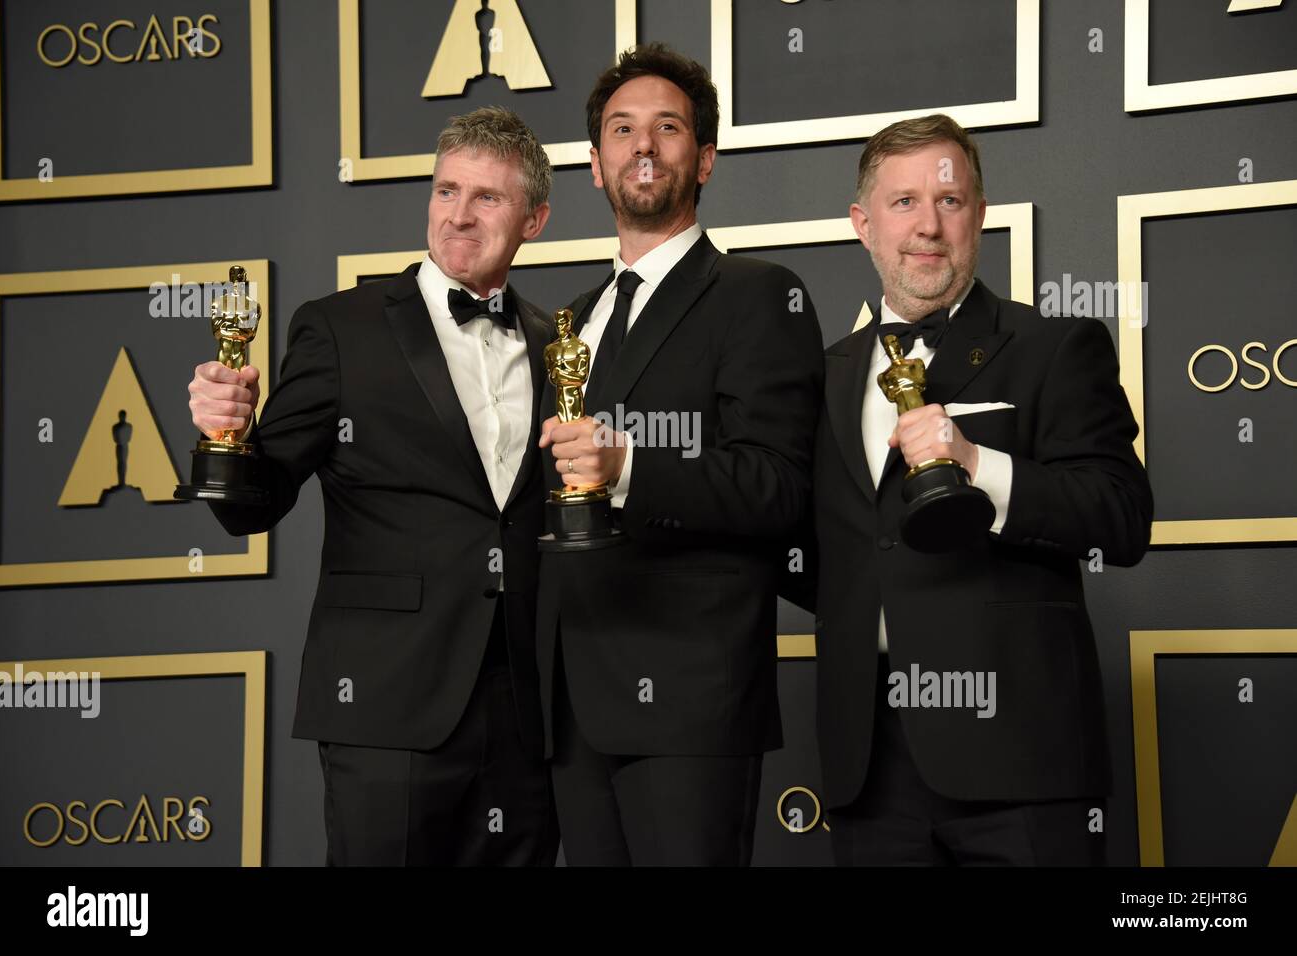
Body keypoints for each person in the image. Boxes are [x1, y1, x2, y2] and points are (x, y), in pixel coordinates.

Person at [186, 107, 558, 865]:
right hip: (386, 701)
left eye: (487, 198)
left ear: (535, 220)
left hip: (529, 709)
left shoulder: (561, 343)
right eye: (446, 190)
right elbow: (254, 503)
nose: (459, 215)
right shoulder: (340, 329)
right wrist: (224, 436)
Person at [786, 113, 1154, 865]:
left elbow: (1122, 518)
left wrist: (978, 464)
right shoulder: (818, 375)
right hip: (869, 764)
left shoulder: (1056, 345)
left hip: (1023, 756)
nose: (928, 226)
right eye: (904, 203)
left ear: (978, 216)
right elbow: (815, 547)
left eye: (949, 202)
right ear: (862, 223)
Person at [534, 43, 825, 866]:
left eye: (667, 128)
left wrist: (629, 468)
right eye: (622, 131)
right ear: (594, 166)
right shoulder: (569, 323)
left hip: (691, 702)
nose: (643, 146)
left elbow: (778, 488)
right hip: (567, 704)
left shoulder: (758, 295)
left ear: (704, 159)